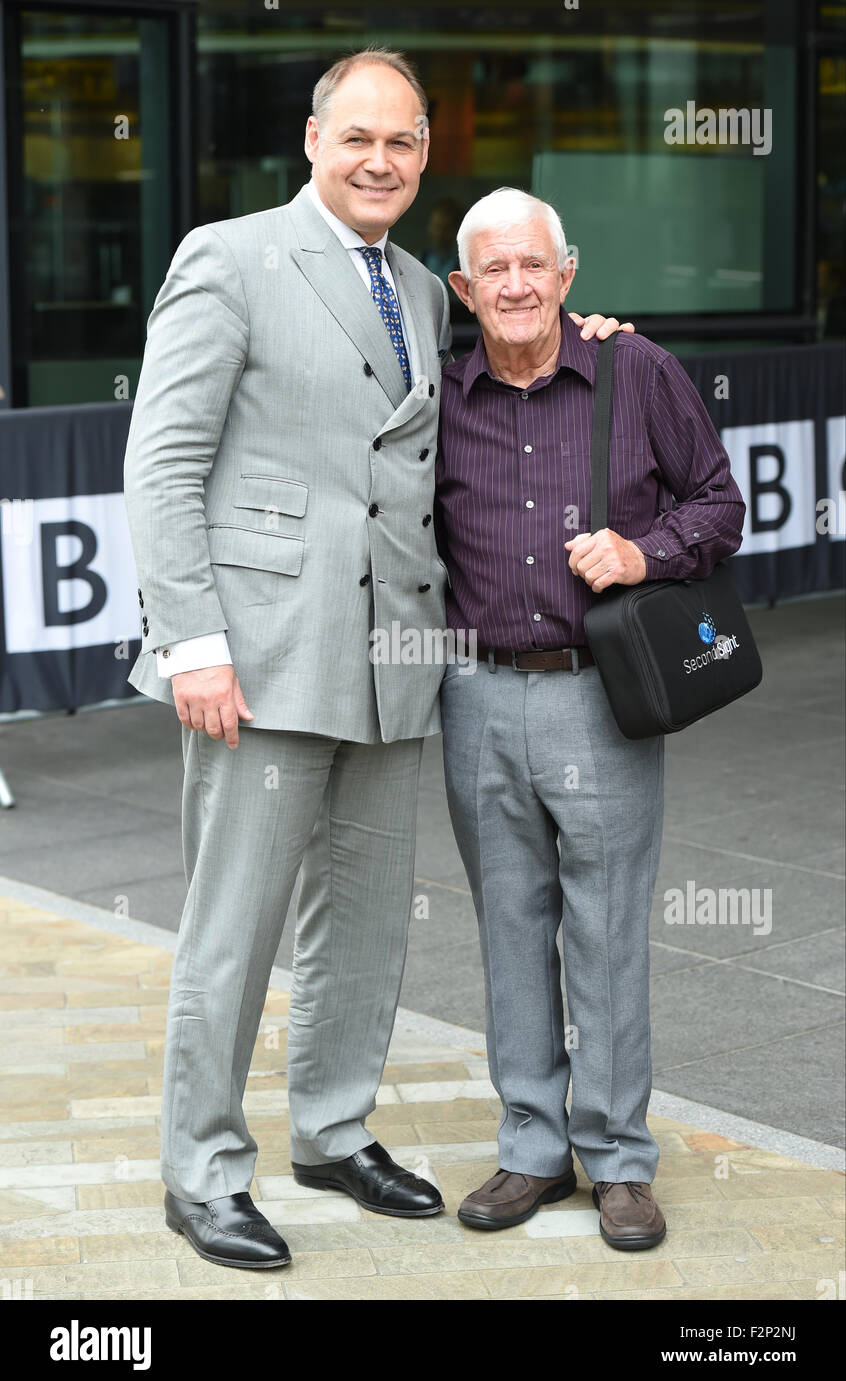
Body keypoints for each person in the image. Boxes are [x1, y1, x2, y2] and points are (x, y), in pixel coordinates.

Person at [123, 49, 625, 1271]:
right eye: (358, 137)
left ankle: (332, 1128)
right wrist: (192, 639)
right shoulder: (228, 256)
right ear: (312, 141)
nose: (379, 160)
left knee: (361, 924)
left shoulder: (425, 285)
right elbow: (163, 461)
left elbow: (488, 387)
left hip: (397, 655)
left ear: (424, 155)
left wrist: (588, 333)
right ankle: (201, 1172)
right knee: (232, 930)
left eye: (402, 142)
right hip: (262, 655)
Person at [435, 187, 745, 1249]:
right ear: (463, 290)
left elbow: (718, 500)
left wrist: (643, 552)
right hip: (474, 693)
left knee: (606, 931)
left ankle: (617, 1156)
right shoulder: (437, 391)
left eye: (536, 265)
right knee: (509, 927)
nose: (516, 287)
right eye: (494, 272)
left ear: (569, 275)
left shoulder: (635, 367)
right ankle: (531, 1146)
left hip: (597, 697)